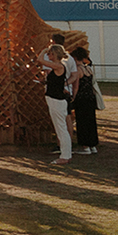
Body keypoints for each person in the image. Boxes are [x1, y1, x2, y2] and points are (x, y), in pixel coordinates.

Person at [41, 34, 74, 163]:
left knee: (61, 128)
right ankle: (66, 154)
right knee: (60, 128)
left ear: (54, 55)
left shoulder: (58, 66)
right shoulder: (59, 67)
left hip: (57, 101)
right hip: (55, 98)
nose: (48, 56)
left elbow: (40, 60)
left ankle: (65, 156)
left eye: (50, 54)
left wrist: (43, 50)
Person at [67, 46, 100, 156]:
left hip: (81, 98)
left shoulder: (78, 70)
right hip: (90, 98)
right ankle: (93, 145)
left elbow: (76, 86)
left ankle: (85, 146)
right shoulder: (88, 69)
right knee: (91, 121)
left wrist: (73, 98)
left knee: (82, 122)